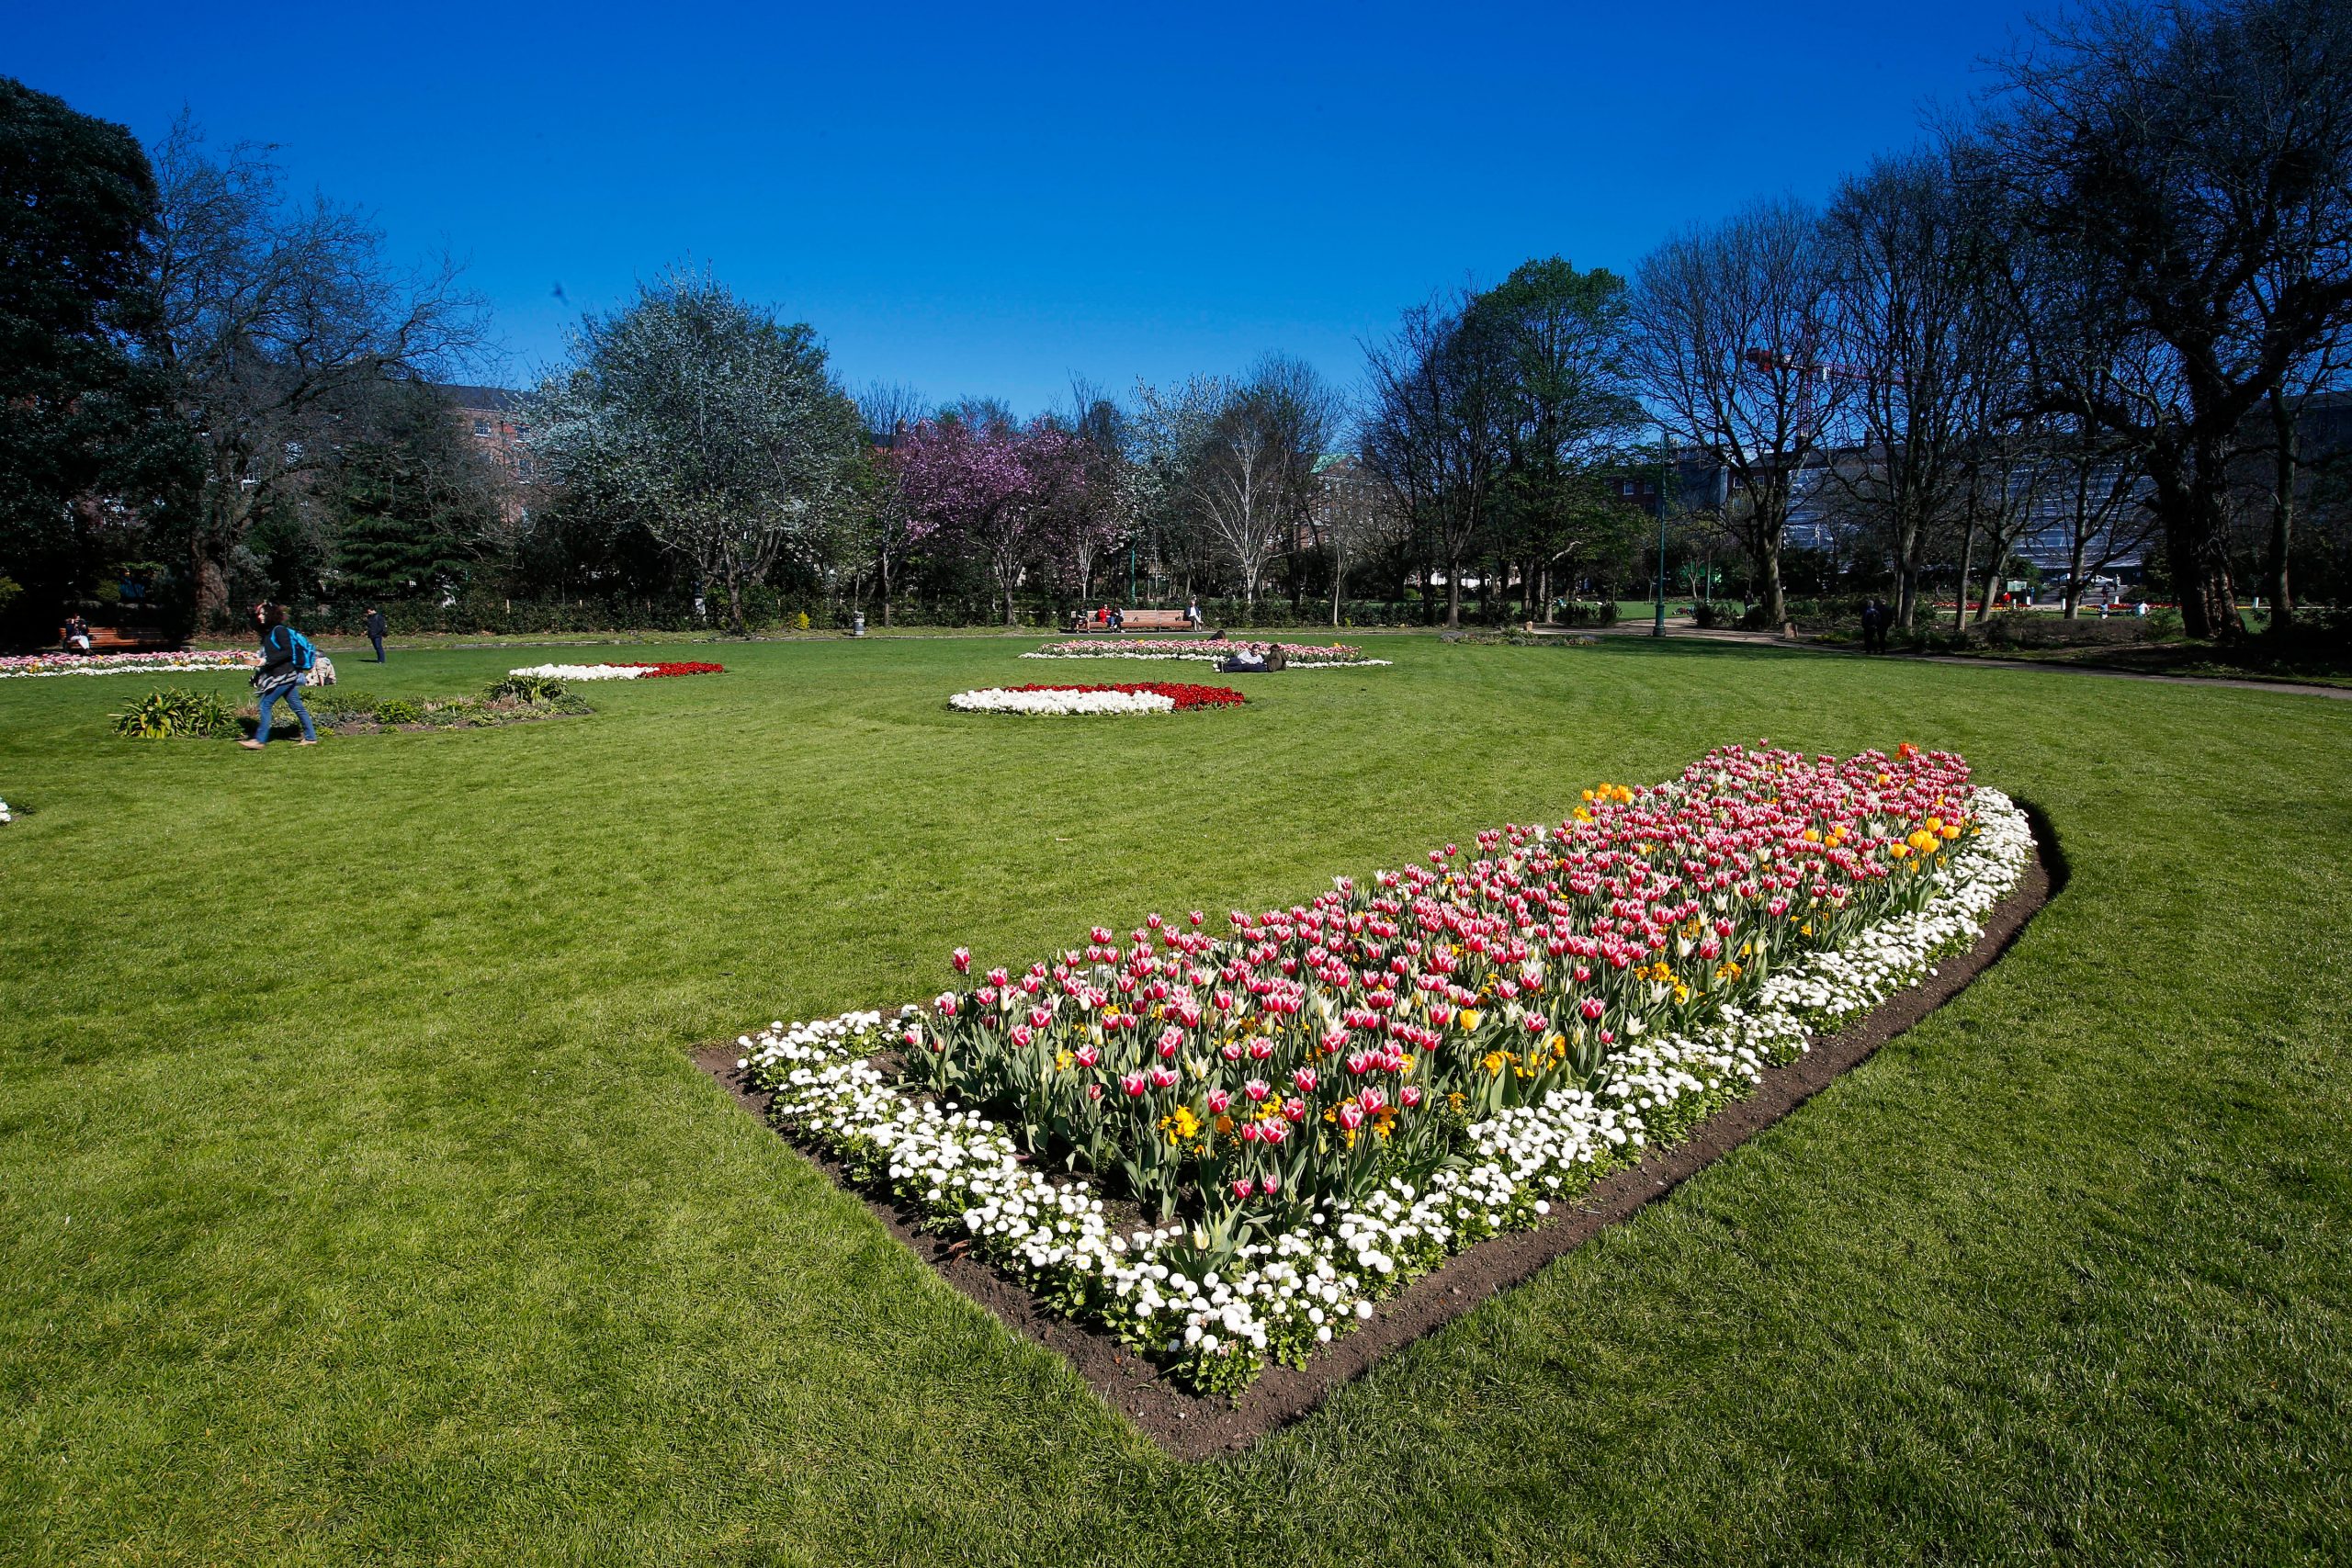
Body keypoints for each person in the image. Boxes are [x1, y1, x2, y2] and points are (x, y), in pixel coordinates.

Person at [241, 604, 318, 750]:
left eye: (263, 614)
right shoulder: (268, 633)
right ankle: (311, 737)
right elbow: (255, 625)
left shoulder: (279, 630)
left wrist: (266, 660)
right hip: (281, 674)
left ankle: (259, 740)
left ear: (271, 615)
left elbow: (287, 652)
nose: (260, 616)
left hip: (285, 675)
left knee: (265, 704)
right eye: (259, 614)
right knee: (297, 707)